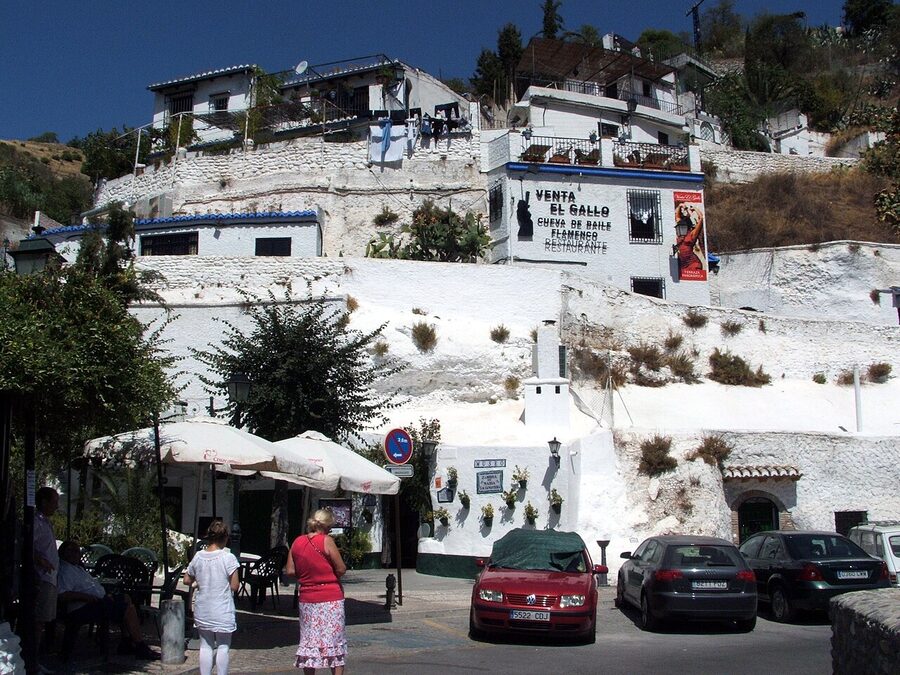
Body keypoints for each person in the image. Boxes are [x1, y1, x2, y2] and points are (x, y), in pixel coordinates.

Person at [56, 541, 158, 659]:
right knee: (128, 609)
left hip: (97, 600)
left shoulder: (77, 568)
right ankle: (140, 647)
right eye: (71, 550)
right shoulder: (65, 570)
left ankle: (126, 641)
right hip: (84, 607)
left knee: (126, 597)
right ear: (63, 553)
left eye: (77, 551)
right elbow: (63, 595)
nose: (75, 554)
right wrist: (87, 597)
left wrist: (105, 594)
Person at [285, 509, 347, 675]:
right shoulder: (326, 541)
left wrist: (306, 576)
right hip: (330, 597)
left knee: (309, 641)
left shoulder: (297, 542)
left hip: (307, 598)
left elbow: (290, 571)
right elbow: (341, 568)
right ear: (326, 526)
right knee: (334, 642)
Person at [184, 520, 240, 675]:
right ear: (225, 537)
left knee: (205, 645)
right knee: (223, 646)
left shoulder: (198, 557)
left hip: (203, 607)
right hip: (222, 607)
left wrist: (200, 582)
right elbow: (235, 585)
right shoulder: (228, 558)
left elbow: (187, 580)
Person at [33, 487, 59, 667]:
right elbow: (27, 545)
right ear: (44, 502)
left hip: (50, 577)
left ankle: (36, 656)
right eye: (54, 502)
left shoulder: (46, 523)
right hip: (42, 577)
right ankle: (33, 658)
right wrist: (40, 560)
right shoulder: (36, 522)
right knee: (38, 620)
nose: (56, 507)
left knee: (43, 620)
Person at [674, 202, 706, 275]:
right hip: (682, 264)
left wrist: (695, 208)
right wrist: (680, 205)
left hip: (693, 263)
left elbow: (701, 218)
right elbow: (677, 216)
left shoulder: (692, 233)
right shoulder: (680, 230)